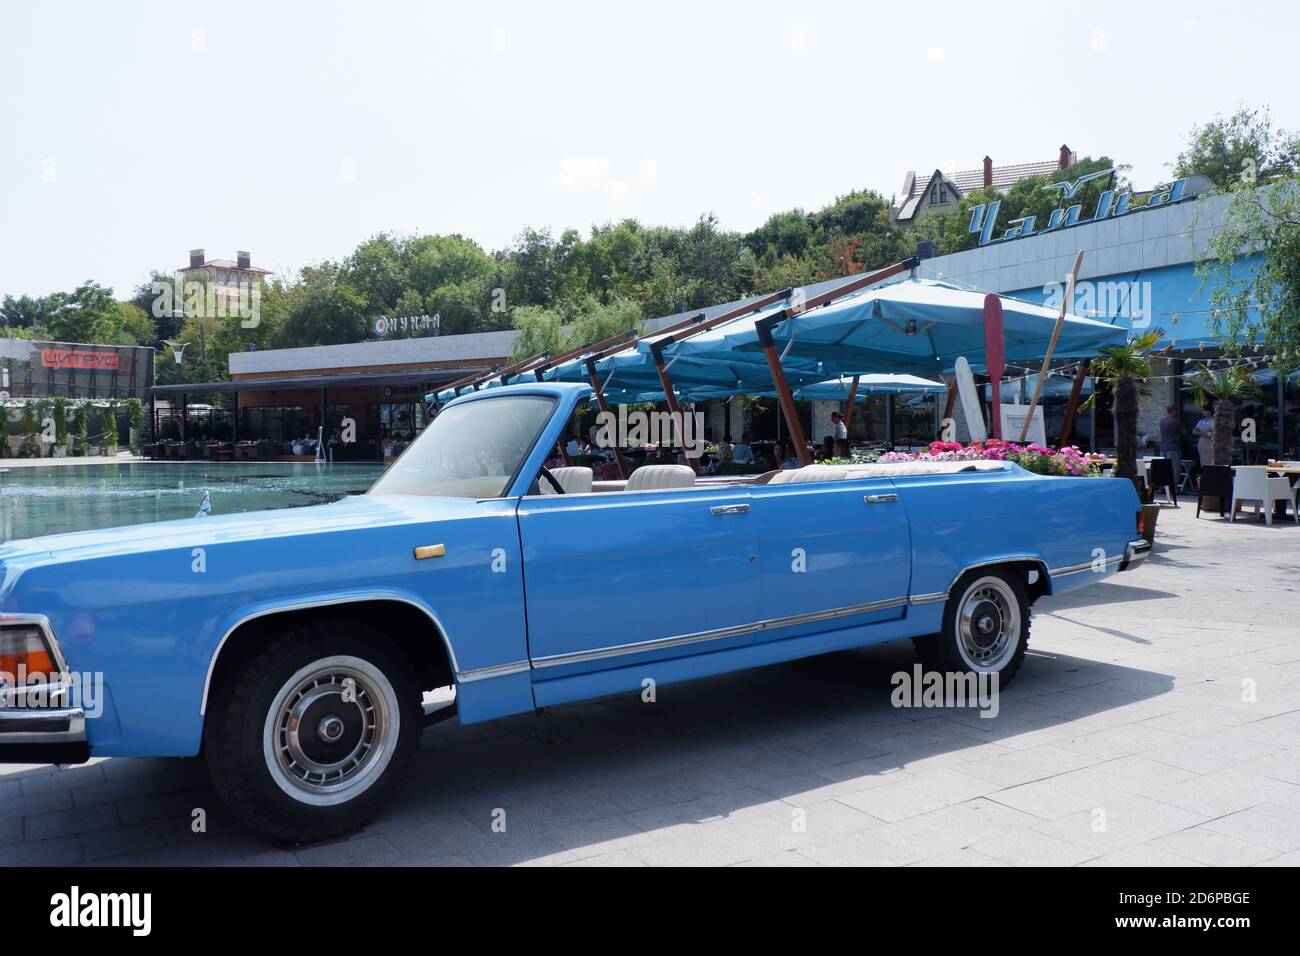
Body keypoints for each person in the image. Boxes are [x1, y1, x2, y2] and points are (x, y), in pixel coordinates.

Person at [1157, 405, 1183, 486]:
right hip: (1173, 447)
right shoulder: (1176, 421)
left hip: (1163, 447)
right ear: (1174, 411)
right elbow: (1184, 432)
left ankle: (1162, 487)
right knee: (1174, 467)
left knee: (1163, 468)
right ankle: (1174, 487)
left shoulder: (1162, 421)